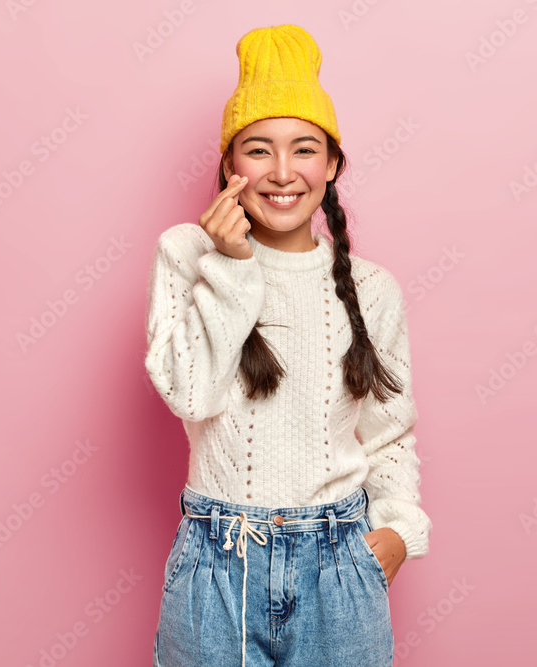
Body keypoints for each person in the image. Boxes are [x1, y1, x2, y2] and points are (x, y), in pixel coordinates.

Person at [146, 24, 432, 667]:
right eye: (258, 150)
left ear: (331, 165)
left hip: (340, 567)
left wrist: (396, 531)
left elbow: (388, 432)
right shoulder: (187, 255)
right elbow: (192, 396)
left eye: (304, 149)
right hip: (218, 567)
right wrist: (231, 265)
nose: (281, 173)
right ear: (230, 166)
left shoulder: (371, 289)